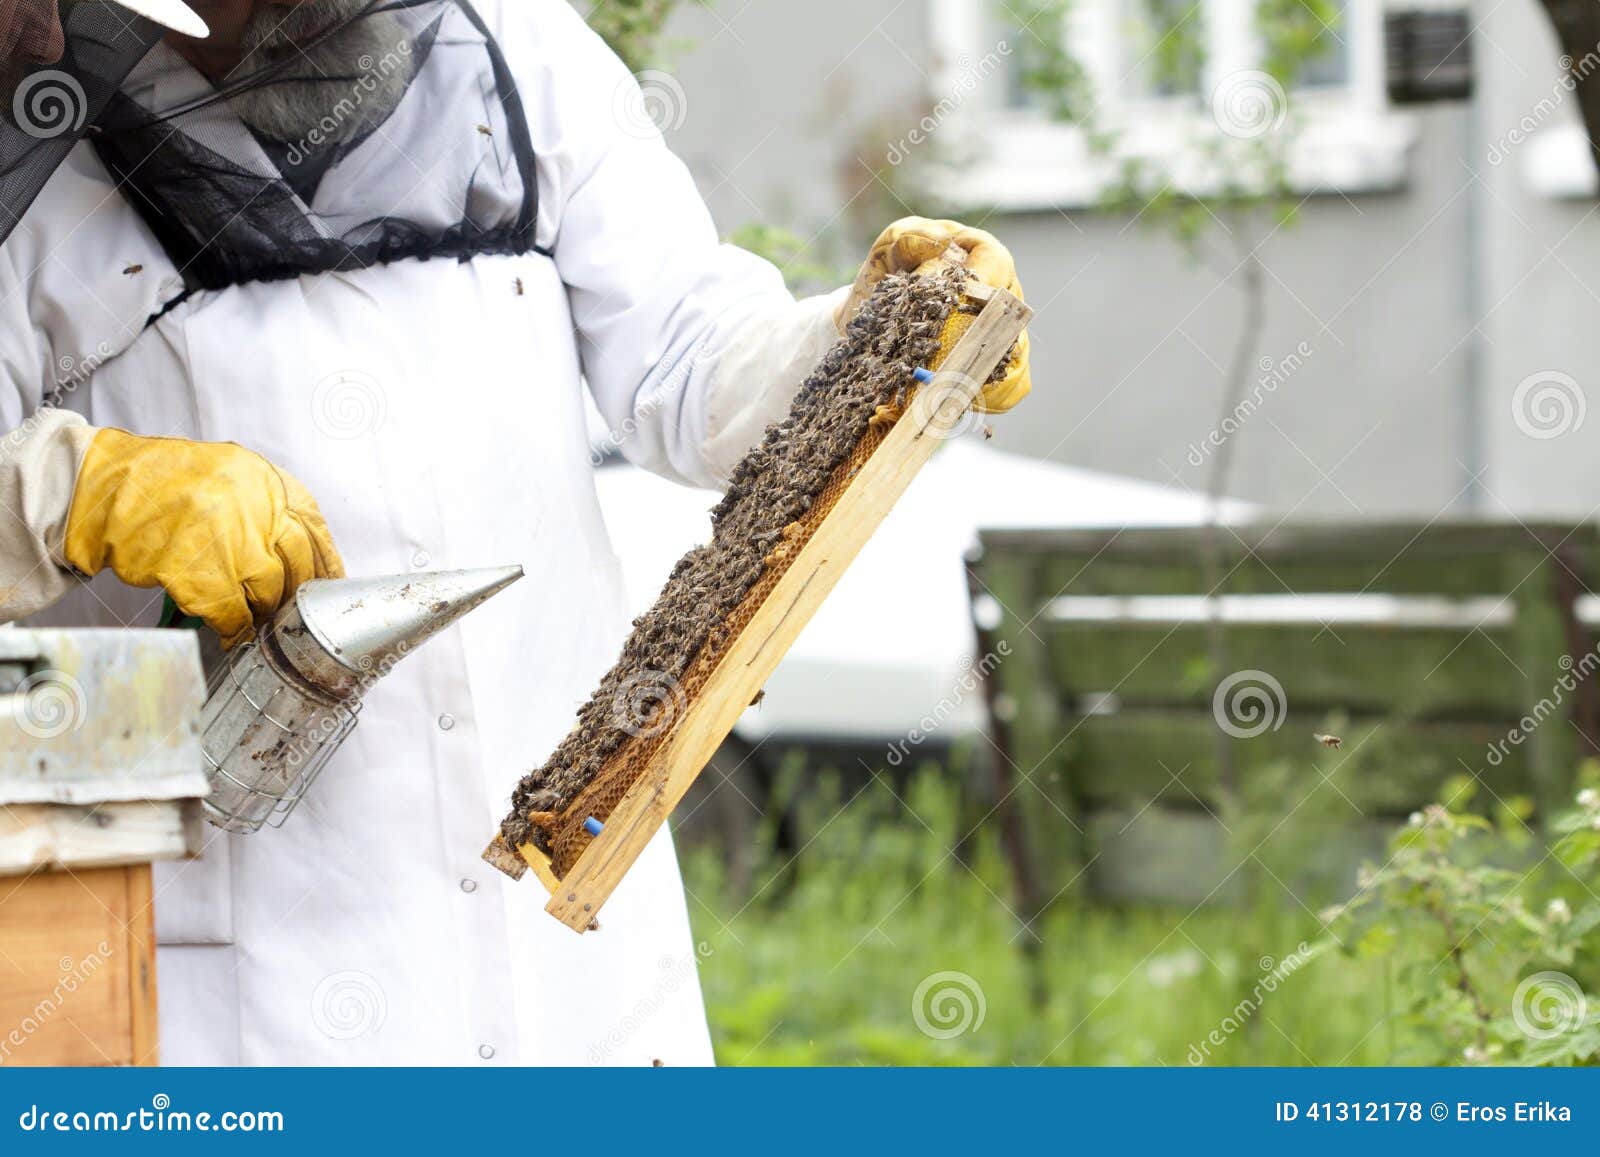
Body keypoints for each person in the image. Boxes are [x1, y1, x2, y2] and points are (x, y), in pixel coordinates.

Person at [0, 0, 1030, 1064]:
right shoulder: (26, 117)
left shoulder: (526, 53)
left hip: (570, 956)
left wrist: (875, 336)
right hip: (239, 972)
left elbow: (689, 359)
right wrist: (76, 491)